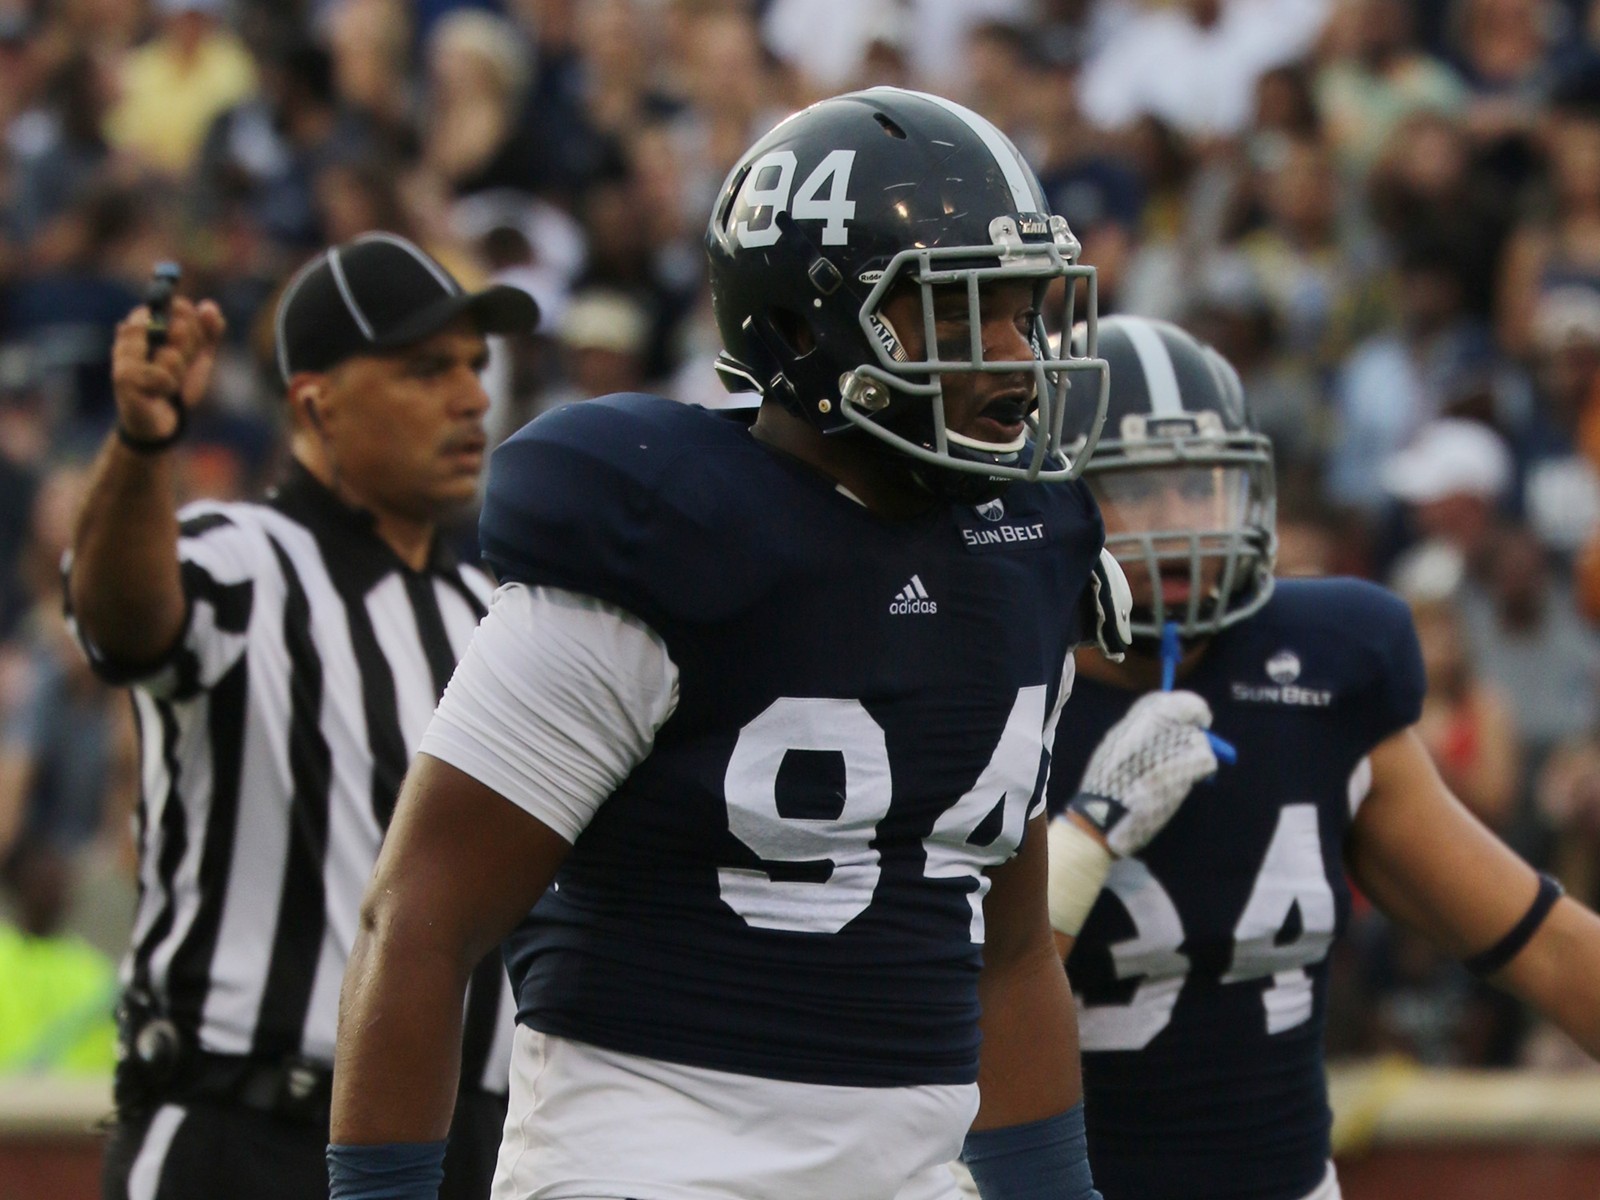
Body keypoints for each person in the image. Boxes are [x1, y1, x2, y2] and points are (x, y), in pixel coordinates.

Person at [327, 86, 1159, 1200]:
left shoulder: (1021, 548)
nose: (1016, 356)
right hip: (652, 1162)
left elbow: (1006, 956)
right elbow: (420, 919)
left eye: (1025, 309)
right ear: (806, 327)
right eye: (961, 313)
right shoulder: (655, 532)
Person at [1043, 315, 1600, 1200]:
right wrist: (1085, 835)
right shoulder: (992, 690)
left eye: (1202, 484)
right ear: (1049, 502)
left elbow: (1539, 941)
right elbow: (946, 1010)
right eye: (1137, 489)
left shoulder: (1323, 663)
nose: (1180, 521)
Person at [68, 233, 538, 1200]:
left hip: (465, 1157)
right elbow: (124, 619)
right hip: (248, 1137)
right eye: (425, 369)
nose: (472, 398)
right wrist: (144, 444)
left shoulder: (494, 614)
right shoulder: (241, 557)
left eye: (475, 367)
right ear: (314, 402)